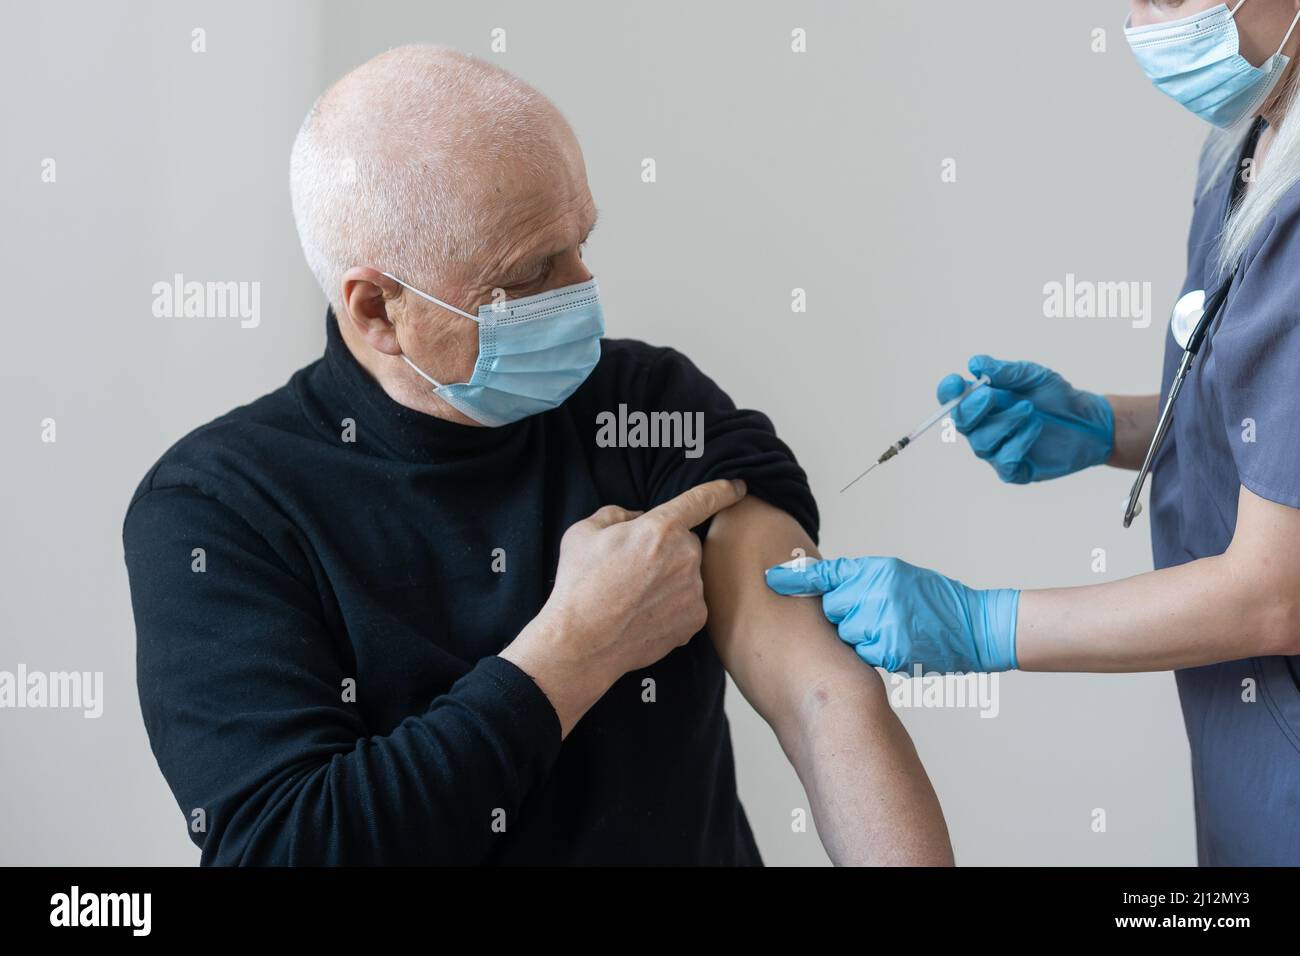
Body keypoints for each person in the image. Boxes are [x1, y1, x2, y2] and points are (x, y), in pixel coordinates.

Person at [122, 45, 953, 866]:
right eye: (531, 272)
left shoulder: (647, 405)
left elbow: (820, 696)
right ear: (377, 309)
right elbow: (288, 845)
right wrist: (570, 652)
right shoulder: (218, 510)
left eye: (581, 242)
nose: (583, 290)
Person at [768, 0, 1300, 865]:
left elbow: (1276, 593)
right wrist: (1104, 425)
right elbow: (1269, 428)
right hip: (1248, 765)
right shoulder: (1252, 144)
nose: (1143, 24)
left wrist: (982, 626)